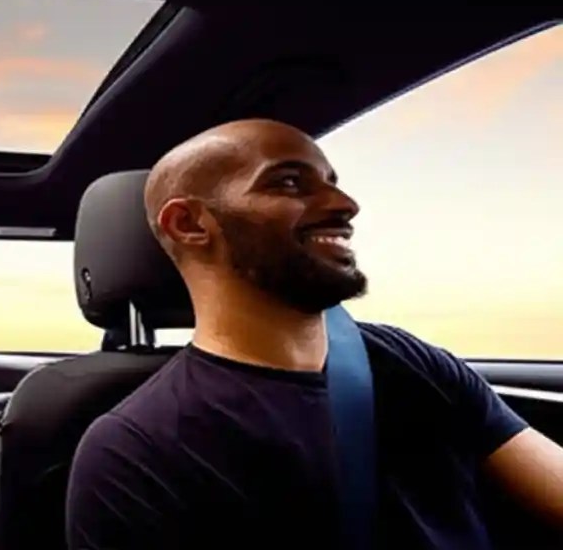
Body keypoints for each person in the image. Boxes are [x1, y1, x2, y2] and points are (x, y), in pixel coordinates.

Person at [66, 119, 563, 549]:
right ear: (190, 224)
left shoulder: (409, 361)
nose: (346, 204)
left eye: (332, 182)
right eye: (289, 183)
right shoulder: (135, 450)